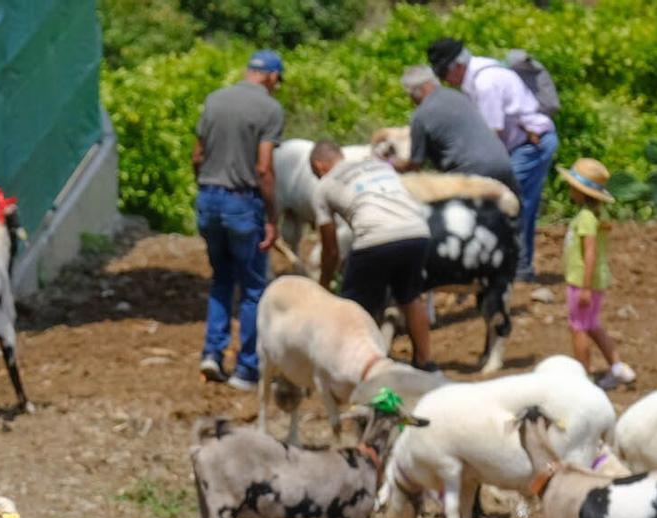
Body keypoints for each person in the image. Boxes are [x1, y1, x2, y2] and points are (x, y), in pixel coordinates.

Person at [428, 37, 557, 278]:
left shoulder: (485, 83)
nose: (446, 81)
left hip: (531, 145)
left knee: (515, 203)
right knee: (511, 203)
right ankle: (510, 265)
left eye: (444, 73)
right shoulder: (477, 77)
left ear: (456, 66)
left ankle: (518, 269)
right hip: (520, 143)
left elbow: (492, 136)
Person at [193, 50, 285, 391]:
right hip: (242, 203)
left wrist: (204, 189)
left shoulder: (214, 100)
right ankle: (246, 369)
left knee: (221, 280)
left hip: (209, 197)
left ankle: (212, 354)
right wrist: (272, 215)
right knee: (251, 288)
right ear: (272, 77)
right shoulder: (270, 109)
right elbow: (263, 168)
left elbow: (197, 155)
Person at [309, 140, 433, 368]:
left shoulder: (324, 185)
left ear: (319, 166)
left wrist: (323, 288)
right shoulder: (379, 166)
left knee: (353, 308)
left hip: (375, 238)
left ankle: (353, 366)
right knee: (410, 297)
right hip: (417, 232)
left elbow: (330, 250)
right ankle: (425, 362)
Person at [559, 157, 636, 390]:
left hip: (583, 280)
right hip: (596, 280)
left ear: (583, 192)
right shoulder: (599, 215)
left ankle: (583, 377)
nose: (570, 189)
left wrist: (584, 287)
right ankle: (618, 367)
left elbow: (589, 253)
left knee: (578, 327)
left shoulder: (585, 218)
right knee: (591, 324)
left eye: (574, 186)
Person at [396, 65, 518, 192]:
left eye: (410, 94)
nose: (411, 100)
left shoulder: (420, 115)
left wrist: (394, 164)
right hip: (503, 165)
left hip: (470, 175)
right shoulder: (458, 96)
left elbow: (415, 164)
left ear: (419, 90)